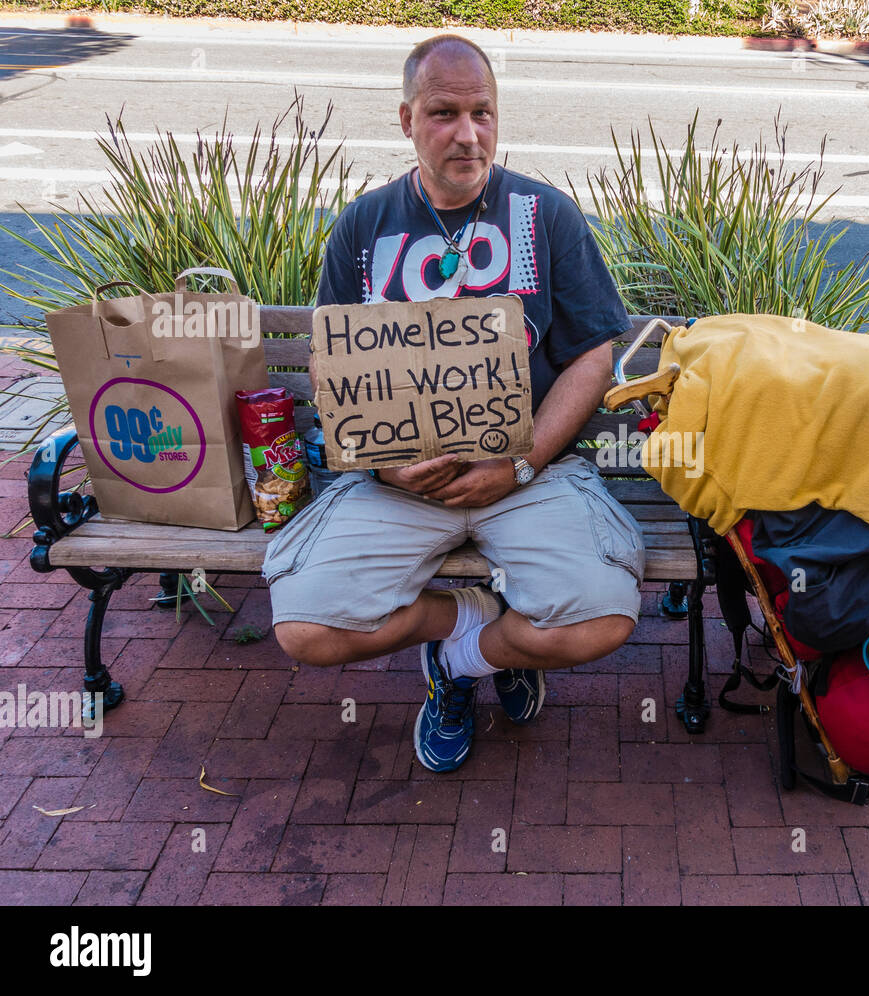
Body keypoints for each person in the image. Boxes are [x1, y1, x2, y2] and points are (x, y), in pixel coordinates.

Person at [264, 34, 645, 773]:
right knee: (306, 631)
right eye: (443, 112)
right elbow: (330, 353)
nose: (467, 133)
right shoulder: (365, 227)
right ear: (406, 119)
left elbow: (595, 353)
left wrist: (524, 464)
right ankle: (469, 620)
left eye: (483, 112)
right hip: (401, 485)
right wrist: (384, 467)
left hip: (528, 478)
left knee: (598, 622)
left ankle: (462, 662)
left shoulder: (545, 216)